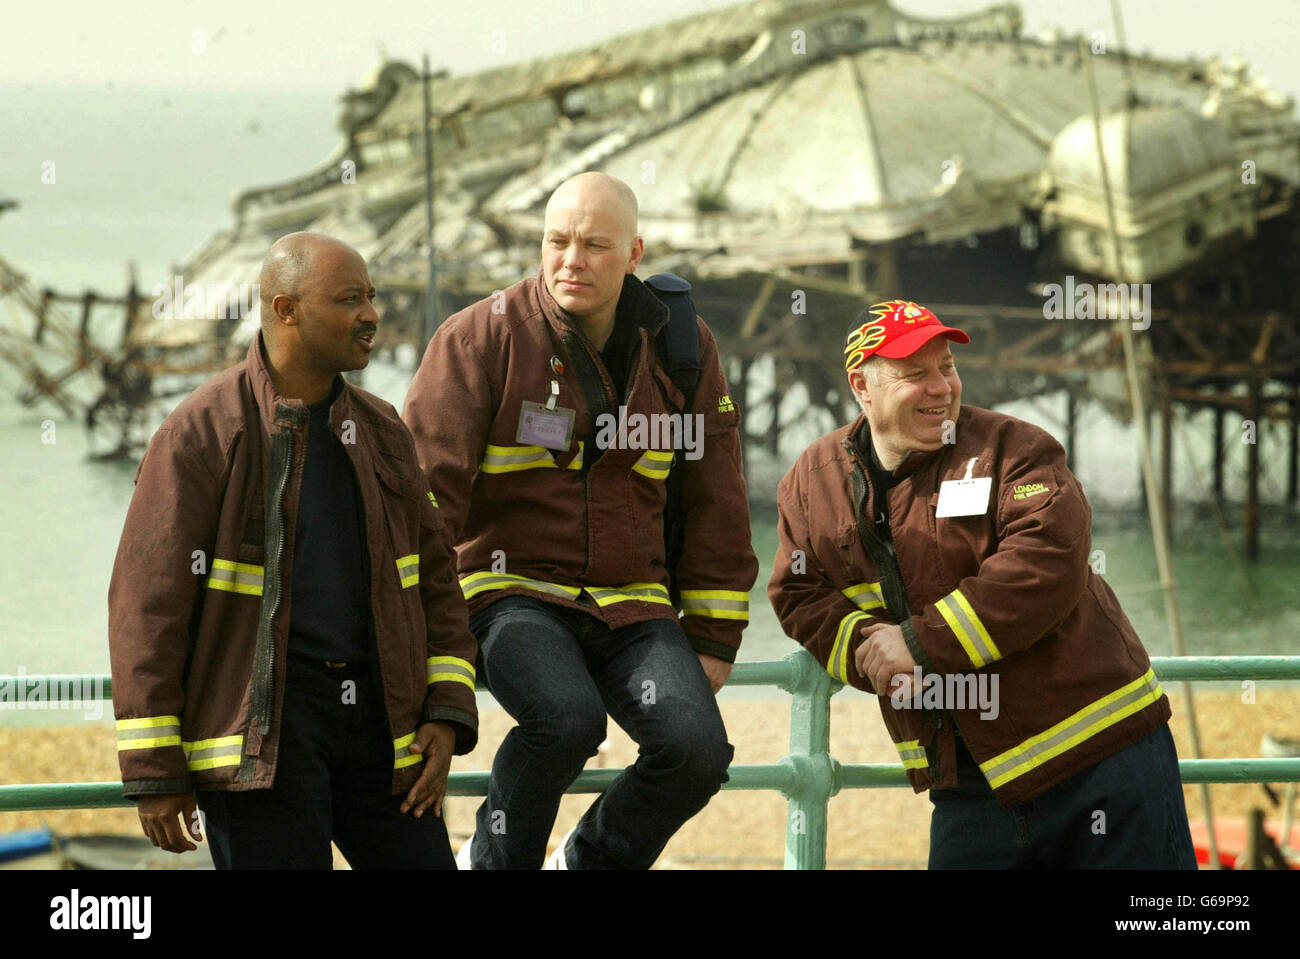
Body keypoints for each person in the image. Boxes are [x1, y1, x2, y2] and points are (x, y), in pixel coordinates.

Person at [403, 172, 757, 869]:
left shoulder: (685, 348)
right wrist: (422, 638)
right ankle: (493, 860)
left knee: (698, 751)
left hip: (634, 605)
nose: (571, 260)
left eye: (595, 244)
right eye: (556, 241)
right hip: (510, 593)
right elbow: (424, 506)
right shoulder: (478, 339)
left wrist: (715, 633)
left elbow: (716, 493)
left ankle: (582, 862)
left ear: (634, 253)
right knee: (566, 721)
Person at [768, 299, 1197, 868]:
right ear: (861, 386)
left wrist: (918, 644)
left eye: (946, 366)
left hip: (1104, 756)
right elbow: (798, 591)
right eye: (914, 373)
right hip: (968, 779)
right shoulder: (811, 482)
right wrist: (868, 650)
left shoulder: (1016, 450)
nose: (940, 387)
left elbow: (1048, 561)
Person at [108, 232, 478, 869]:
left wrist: (445, 711)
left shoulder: (384, 429)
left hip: (383, 734)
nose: (372, 314)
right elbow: (147, 609)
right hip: (262, 744)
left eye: (371, 296)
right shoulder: (199, 435)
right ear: (285, 309)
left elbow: (438, 581)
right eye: (349, 299)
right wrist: (156, 769)